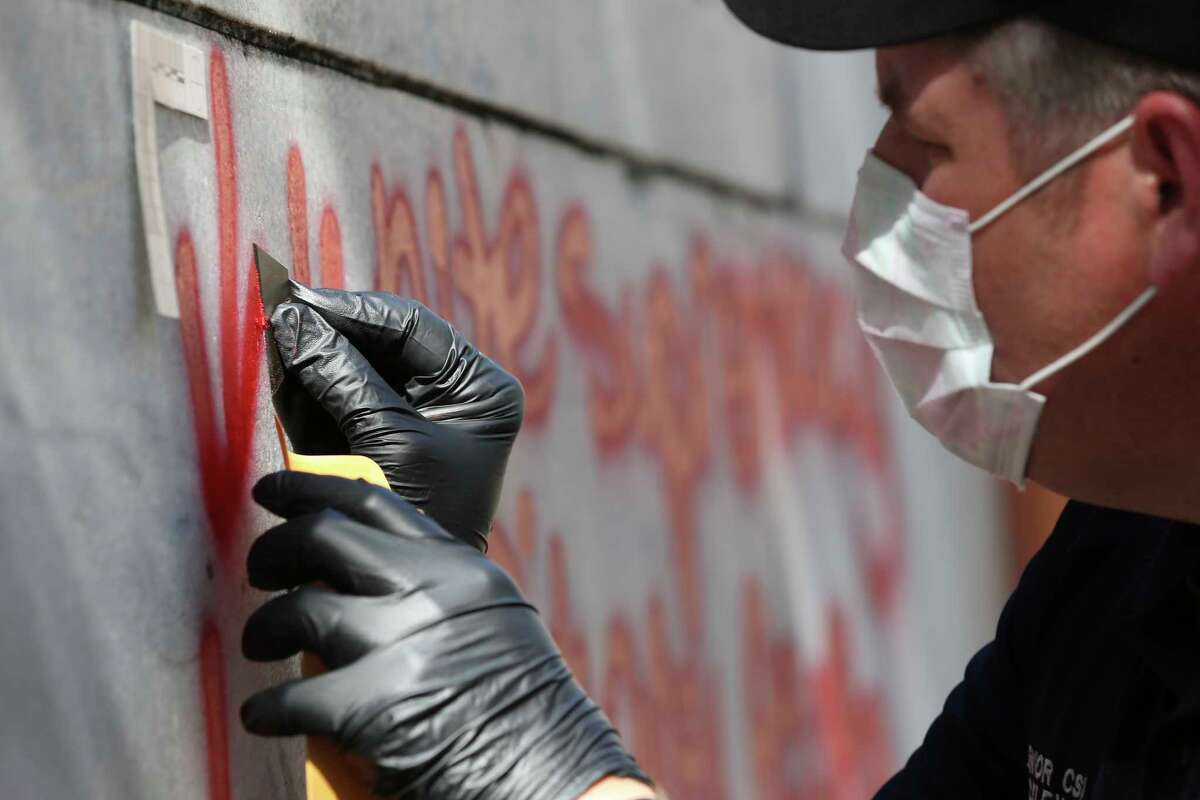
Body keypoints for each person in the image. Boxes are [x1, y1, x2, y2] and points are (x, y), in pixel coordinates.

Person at [239, 2, 1200, 797]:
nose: (875, 219)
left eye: (926, 141)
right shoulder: (1123, 570)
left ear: (1165, 174)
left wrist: (549, 775)